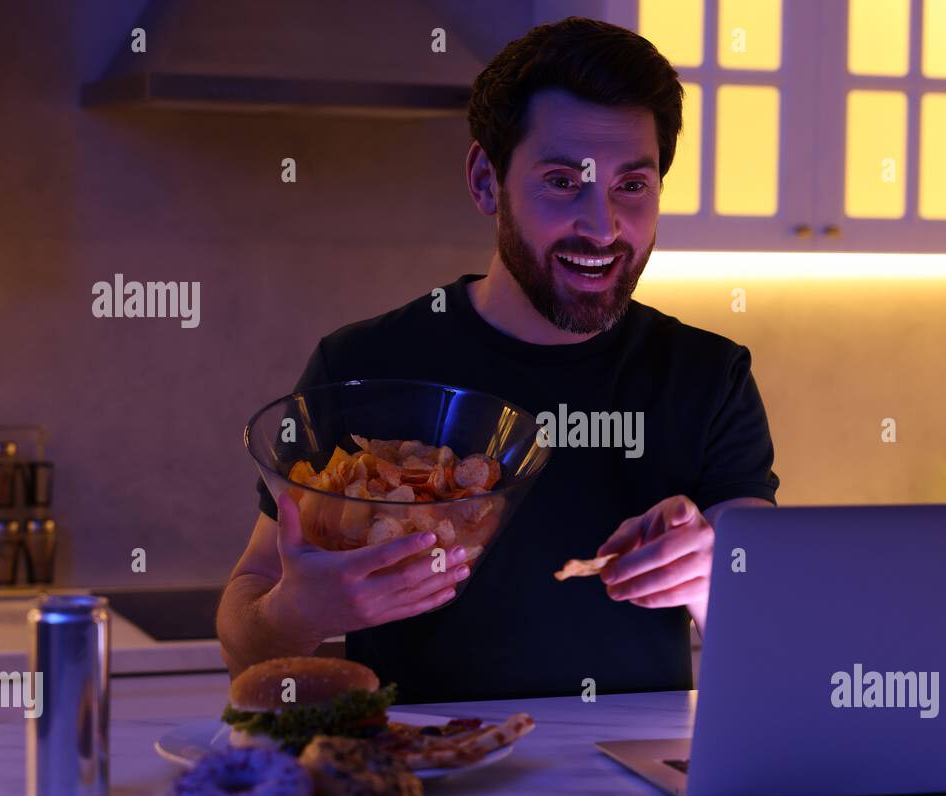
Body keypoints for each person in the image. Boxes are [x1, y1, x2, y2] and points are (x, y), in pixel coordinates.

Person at [217, 17, 778, 703]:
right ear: (487, 181)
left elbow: (769, 639)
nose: (602, 227)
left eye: (632, 186)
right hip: (419, 789)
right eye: (563, 181)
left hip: (641, 795)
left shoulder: (709, 378)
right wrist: (296, 613)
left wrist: (716, 581)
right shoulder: (361, 365)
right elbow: (243, 638)